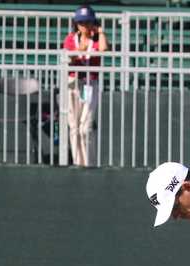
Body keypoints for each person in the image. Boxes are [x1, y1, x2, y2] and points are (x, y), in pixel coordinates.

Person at [63, 5, 107, 167]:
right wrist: (77, 50)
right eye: (81, 23)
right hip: (73, 83)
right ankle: (77, 162)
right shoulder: (70, 38)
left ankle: (90, 164)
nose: (85, 26)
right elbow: (68, 59)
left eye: (88, 23)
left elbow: (104, 49)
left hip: (90, 83)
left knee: (85, 126)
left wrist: (100, 32)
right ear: (76, 24)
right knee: (73, 126)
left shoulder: (96, 40)